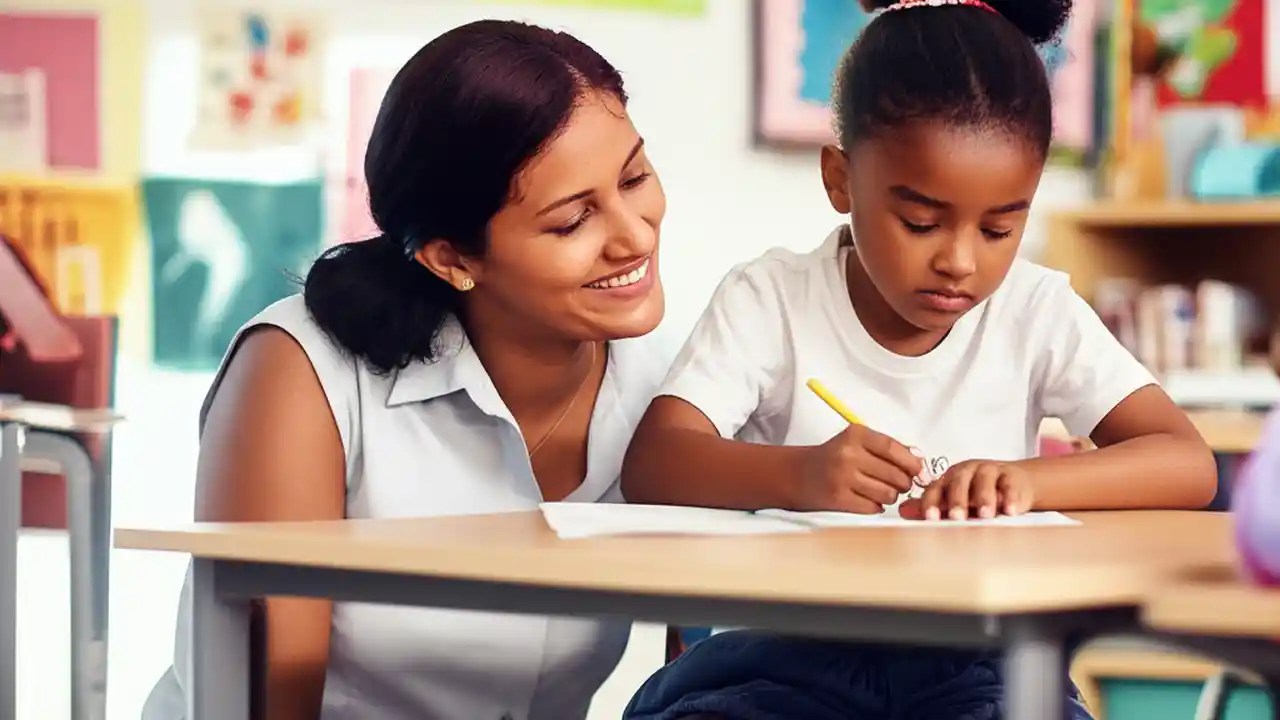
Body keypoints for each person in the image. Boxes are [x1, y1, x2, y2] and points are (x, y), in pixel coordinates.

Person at [618, 0, 1217, 718]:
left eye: (999, 229)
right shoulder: (771, 299)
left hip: (975, 657)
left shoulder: (1033, 310)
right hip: (786, 653)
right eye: (921, 222)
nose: (959, 261)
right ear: (840, 179)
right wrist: (801, 474)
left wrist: (1026, 482)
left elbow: (1187, 462)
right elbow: (655, 462)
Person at [143, 19, 670, 720]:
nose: (635, 235)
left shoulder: (663, 393)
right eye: (573, 221)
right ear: (451, 258)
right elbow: (269, 696)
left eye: (634, 178)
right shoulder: (301, 373)